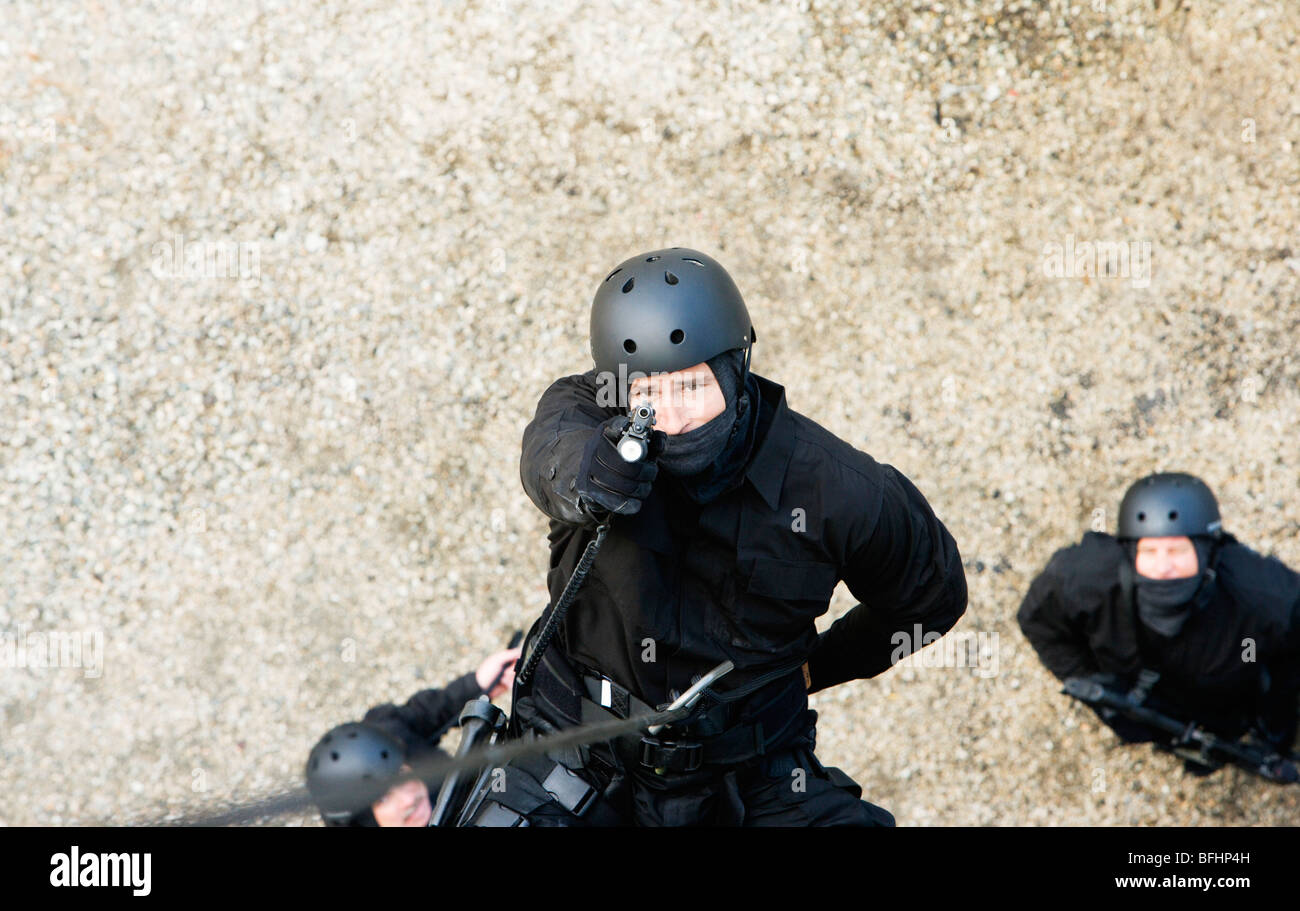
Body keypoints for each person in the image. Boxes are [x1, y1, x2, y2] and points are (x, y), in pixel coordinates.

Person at [463, 247, 967, 826]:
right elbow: (551, 456)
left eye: (693, 387)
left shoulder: (842, 489)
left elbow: (930, 599)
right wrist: (592, 477)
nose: (673, 419)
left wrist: (820, 667)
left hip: (752, 772)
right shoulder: (582, 415)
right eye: (648, 394)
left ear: (735, 368)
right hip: (570, 750)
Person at [1018, 472, 1300, 775]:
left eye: (1177, 550)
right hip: (1142, 701)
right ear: (1129, 551)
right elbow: (1039, 622)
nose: (1164, 567)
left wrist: (1272, 732)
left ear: (1206, 550)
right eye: (1149, 551)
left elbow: (1291, 656)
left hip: (1231, 699)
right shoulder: (1084, 579)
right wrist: (1088, 679)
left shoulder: (1263, 595)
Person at [305, 646, 520, 826]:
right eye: (382, 797)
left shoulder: (389, 733)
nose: (409, 799)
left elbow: (426, 714)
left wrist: (477, 685)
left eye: (399, 773)